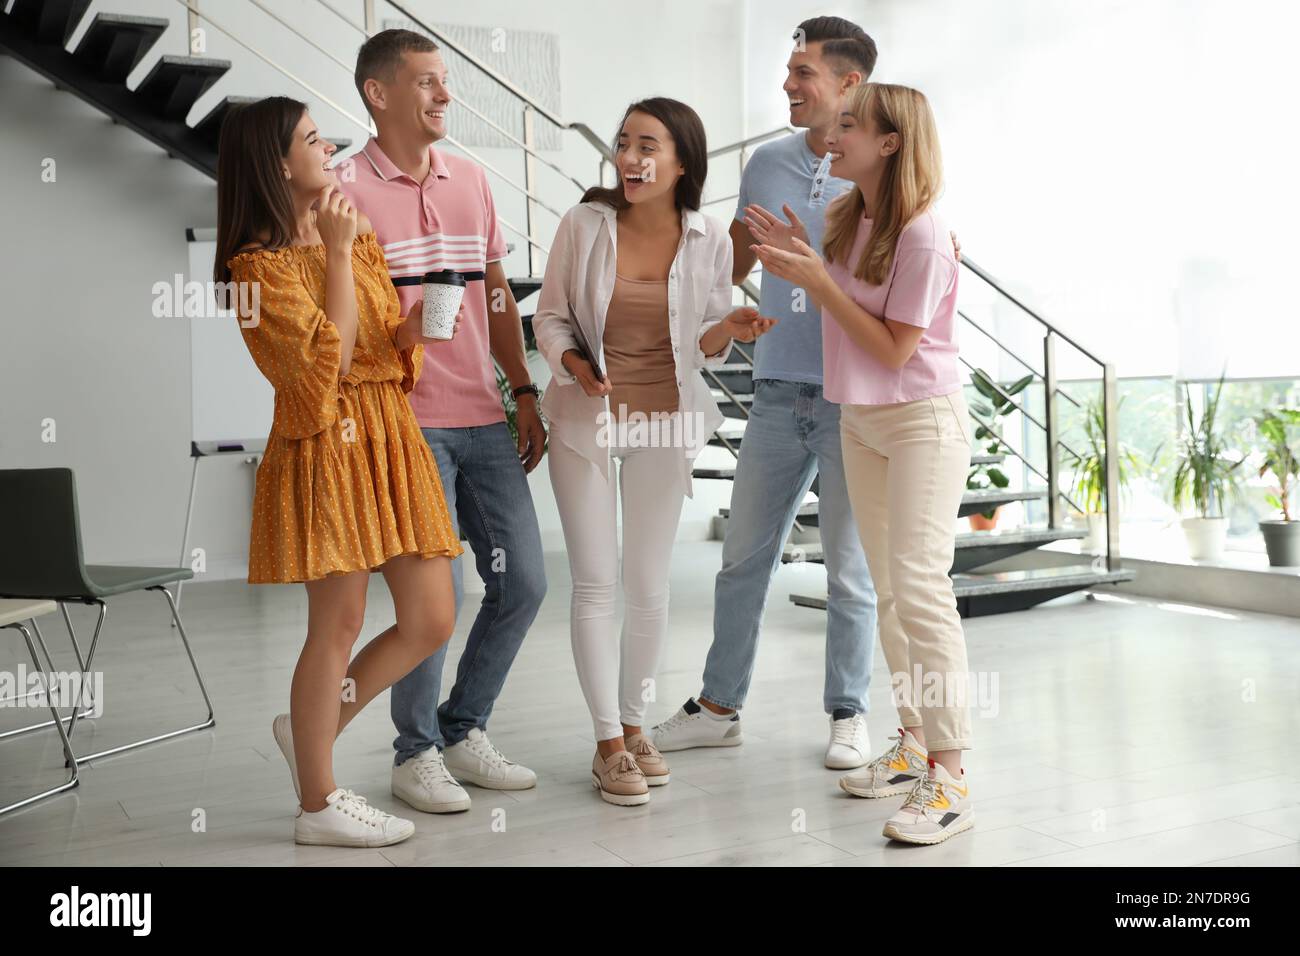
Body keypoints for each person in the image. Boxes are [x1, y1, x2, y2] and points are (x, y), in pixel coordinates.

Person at [215, 96, 464, 847]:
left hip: (387, 432)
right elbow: (321, 365)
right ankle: (318, 803)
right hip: (325, 441)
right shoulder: (254, 270)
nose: (330, 151)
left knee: (431, 617)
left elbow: (375, 338)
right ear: (275, 162)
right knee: (339, 624)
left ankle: (309, 728)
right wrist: (330, 254)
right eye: (313, 140)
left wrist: (409, 330)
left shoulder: (352, 234)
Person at [532, 98, 776, 806]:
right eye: (624, 143)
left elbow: (702, 339)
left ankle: (636, 726)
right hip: (587, 417)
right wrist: (571, 361)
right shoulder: (584, 224)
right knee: (596, 582)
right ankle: (608, 741)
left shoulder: (710, 242)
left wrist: (728, 324)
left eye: (649, 145)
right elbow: (548, 314)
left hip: (665, 424)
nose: (631, 158)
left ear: (681, 162)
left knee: (648, 587)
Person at [652, 16, 881, 770]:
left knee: (849, 570)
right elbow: (732, 258)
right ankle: (719, 706)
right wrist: (722, 314)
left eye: (802, 72)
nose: (787, 83)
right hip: (780, 389)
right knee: (743, 560)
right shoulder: (769, 162)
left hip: (855, 394)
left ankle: (849, 713)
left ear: (849, 83)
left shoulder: (882, 162)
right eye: (787, 70)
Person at [752, 81, 974, 845]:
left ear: (888, 143)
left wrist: (818, 279)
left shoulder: (922, 231)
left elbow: (892, 347)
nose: (832, 133)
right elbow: (846, 320)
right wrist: (807, 263)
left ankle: (950, 775)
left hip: (921, 423)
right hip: (862, 419)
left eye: (849, 124)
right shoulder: (854, 218)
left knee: (920, 587)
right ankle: (914, 743)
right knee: (888, 594)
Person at [338, 29, 547, 813]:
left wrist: (520, 388)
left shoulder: (472, 179)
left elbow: (495, 293)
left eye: (446, 82)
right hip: (401, 423)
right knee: (436, 604)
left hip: (483, 417)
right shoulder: (343, 189)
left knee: (523, 581)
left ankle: (464, 729)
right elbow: (338, 325)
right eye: (427, 82)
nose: (445, 95)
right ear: (379, 93)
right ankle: (414, 751)